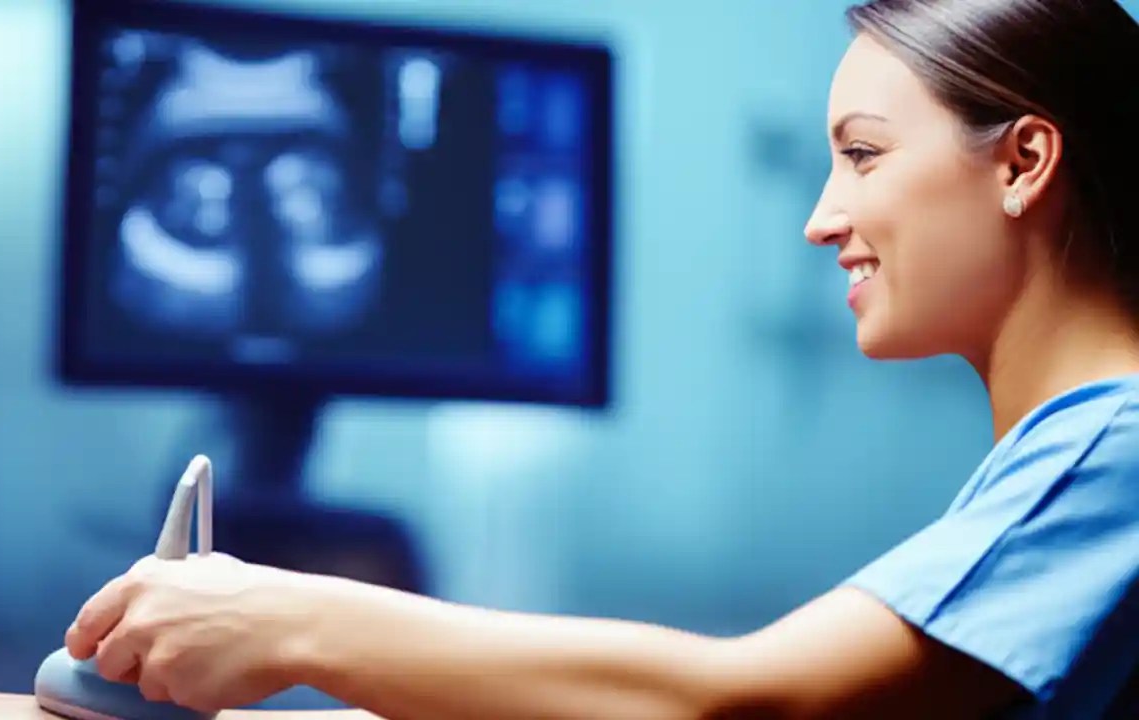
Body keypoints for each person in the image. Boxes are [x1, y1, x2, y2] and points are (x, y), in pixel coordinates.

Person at [63, 0, 1139, 717]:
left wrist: (289, 620)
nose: (820, 219)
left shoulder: (1115, 453)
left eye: (861, 155)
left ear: (1024, 161)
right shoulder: (1072, 462)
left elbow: (742, 705)